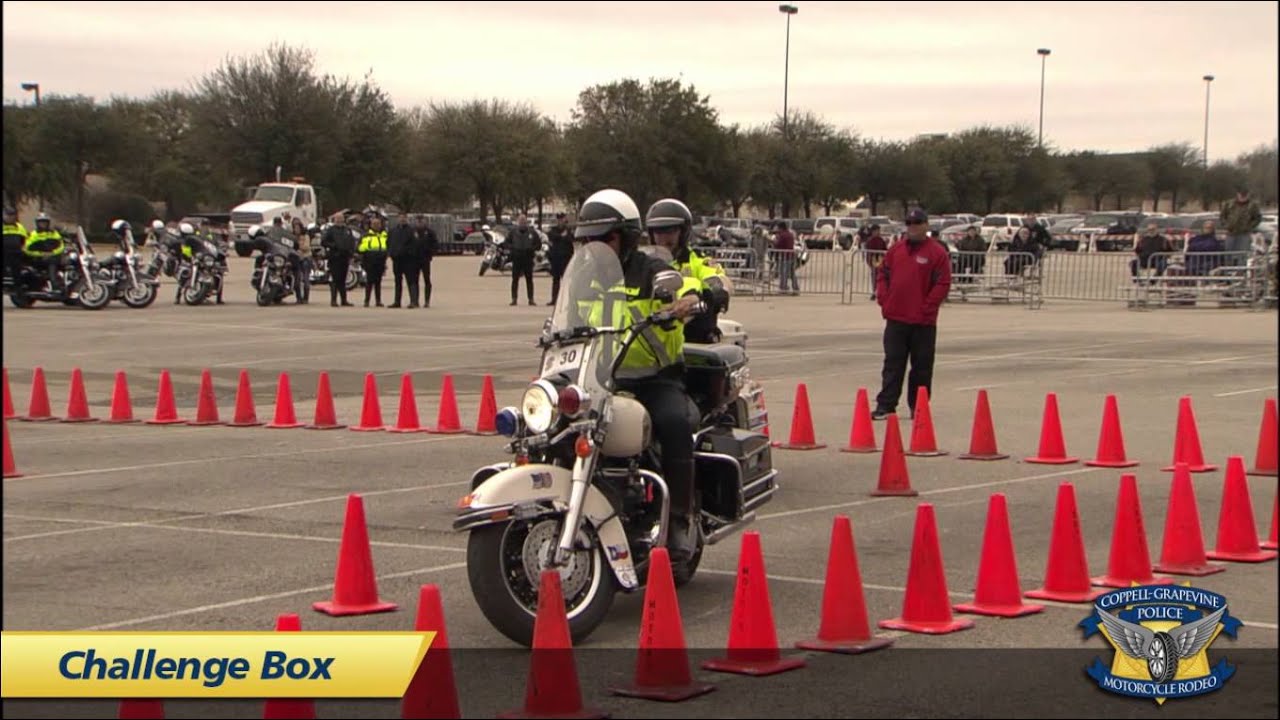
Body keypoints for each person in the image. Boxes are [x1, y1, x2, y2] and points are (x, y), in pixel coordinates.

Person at [573, 188, 703, 561]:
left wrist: (689, 299)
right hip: (601, 379)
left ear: (627, 237)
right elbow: (567, 316)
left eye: (604, 238)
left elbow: (683, 282)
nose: (595, 246)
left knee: (674, 423)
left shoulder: (651, 269)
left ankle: (680, 519)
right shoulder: (584, 275)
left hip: (654, 378)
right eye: (589, 239)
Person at [872, 207, 952, 420]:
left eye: (917, 223)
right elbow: (883, 274)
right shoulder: (896, 250)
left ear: (926, 225)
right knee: (892, 364)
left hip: (923, 322)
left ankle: (919, 406)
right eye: (909, 223)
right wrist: (884, 299)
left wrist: (928, 307)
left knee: (922, 367)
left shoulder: (937, 253)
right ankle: (886, 405)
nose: (913, 227)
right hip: (896, 318)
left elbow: (943, 283)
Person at [644, 197, 730, 344]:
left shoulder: (697, 260)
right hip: (651, 337)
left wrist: (716, 291)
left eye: (670, 231)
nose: (663, 238)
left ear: (683, 232)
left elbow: (718, 279)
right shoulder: (644, 263)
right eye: (658, 232)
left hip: (693, 339)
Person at [23, 213, 65, 291]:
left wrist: (53, 252)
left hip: (53, 255)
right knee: (52, 261)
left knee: (64, 261)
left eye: (45, 222)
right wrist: (40, 254)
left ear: (48, 223)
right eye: (41, 222)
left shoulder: (54, 233)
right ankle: (54, 282)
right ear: (37, 223)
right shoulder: (33, 234)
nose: (43, 224)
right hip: (39, 258)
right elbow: (26, 249)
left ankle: (64, 281)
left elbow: (61, 245)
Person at [322, 213, 356, 306]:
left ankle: (344, 300)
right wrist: (333, 246)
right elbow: (324, 241)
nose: (340, 220)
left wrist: (351, 252)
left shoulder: (347, 230)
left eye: (341, 218)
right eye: (338, 218)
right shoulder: (331, 230)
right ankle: (333, 300)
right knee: (335, 279)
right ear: (334, 220)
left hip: (345, 258)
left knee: (343, 279)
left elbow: (351, 241)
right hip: (335, 258)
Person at [388, 213, 420, 308]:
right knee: (397, 281)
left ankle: (413, 301)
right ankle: (397, 301)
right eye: (400, 218)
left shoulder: (411, 231)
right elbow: (389, 243)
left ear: (407, 219)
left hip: (408, 260)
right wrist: (391, 253)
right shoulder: (393, 231)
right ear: (398, 219)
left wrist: (408, 254)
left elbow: (415, 245)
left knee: (411, 280)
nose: (402, 219)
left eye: (404, 218)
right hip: (396, 260)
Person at [1220, 187, 1262, 256]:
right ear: (1237, 194)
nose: (1242, 197)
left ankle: (1241, 262)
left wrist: (1250, 227)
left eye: (1245, 195)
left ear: (1248, 195)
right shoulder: (1229, 204)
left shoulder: (1253, 205)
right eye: (1241, 194)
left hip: (1244, 234)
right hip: (1231, 233)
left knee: (1242, 254)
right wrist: (1226, 226)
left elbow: (1258, 218)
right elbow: (1222, 216)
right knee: (1228, 254)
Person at [358, 212, 389, 307]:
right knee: (369, 282)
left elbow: (388, 247)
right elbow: (360, 248)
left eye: (378, 224)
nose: (376, 226)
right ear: (371, 225)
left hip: (381, 262)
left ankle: (378, 301)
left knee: (378, 282)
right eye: (374, 224)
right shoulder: (366, 236)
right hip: (369, 262)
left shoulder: (384, 235)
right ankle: (366, 301)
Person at [507, 214, 538, 306]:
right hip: (517, 258)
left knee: (529, 279)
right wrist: (512, 248)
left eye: (524, 221)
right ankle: (514, 299)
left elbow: (538, 244)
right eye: (521, 221)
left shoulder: (532, 232)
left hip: (528, 258)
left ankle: (531, 299)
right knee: (515, 279)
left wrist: (532, 249)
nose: (522, 223)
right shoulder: (513, 232)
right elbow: (506, 242)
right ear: (518, 222)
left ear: (526, 222)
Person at [546, 212, 573, 305]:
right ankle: (554, 299)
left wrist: (563, 237)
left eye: (562, 219)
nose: (560, 221)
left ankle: (567, 300)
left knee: (566, 281)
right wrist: (561, 236)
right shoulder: (554, 230)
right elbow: (552, 236)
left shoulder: (568, 230)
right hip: (556, 259)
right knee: (555, 280)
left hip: (566, 258)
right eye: (559, 219)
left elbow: (570, 239)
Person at [414, 215, 437, 308]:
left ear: (425, 222)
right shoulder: (412, 232)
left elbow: (435, 244)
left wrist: (431, 253)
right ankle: (415, 300)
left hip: (425, 259)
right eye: (418, 221)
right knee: (414, 281)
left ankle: (427, 301)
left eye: (422, 221)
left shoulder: (430, 232)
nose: (420, 223)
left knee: (427, 280)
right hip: (414, 259)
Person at [773, 220, 799, 295]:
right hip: (791, 256)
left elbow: (778, 245)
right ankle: (796, 288)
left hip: (785, 257)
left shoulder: (782, 235)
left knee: (784, 273)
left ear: (781, 228)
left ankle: (783, 288)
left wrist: (773, 240)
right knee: (792, 273)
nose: (777, 229)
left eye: (778, 228)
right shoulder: (790, 234)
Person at [3, 206, 27, 285]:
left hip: (16, 253)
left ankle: (18, 288)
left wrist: (22, 249)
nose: (10, 217)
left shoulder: (19, 227)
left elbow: (24, 240)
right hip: (4, 253)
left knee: (17, 272)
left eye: (12, 215)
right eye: (8, 215)